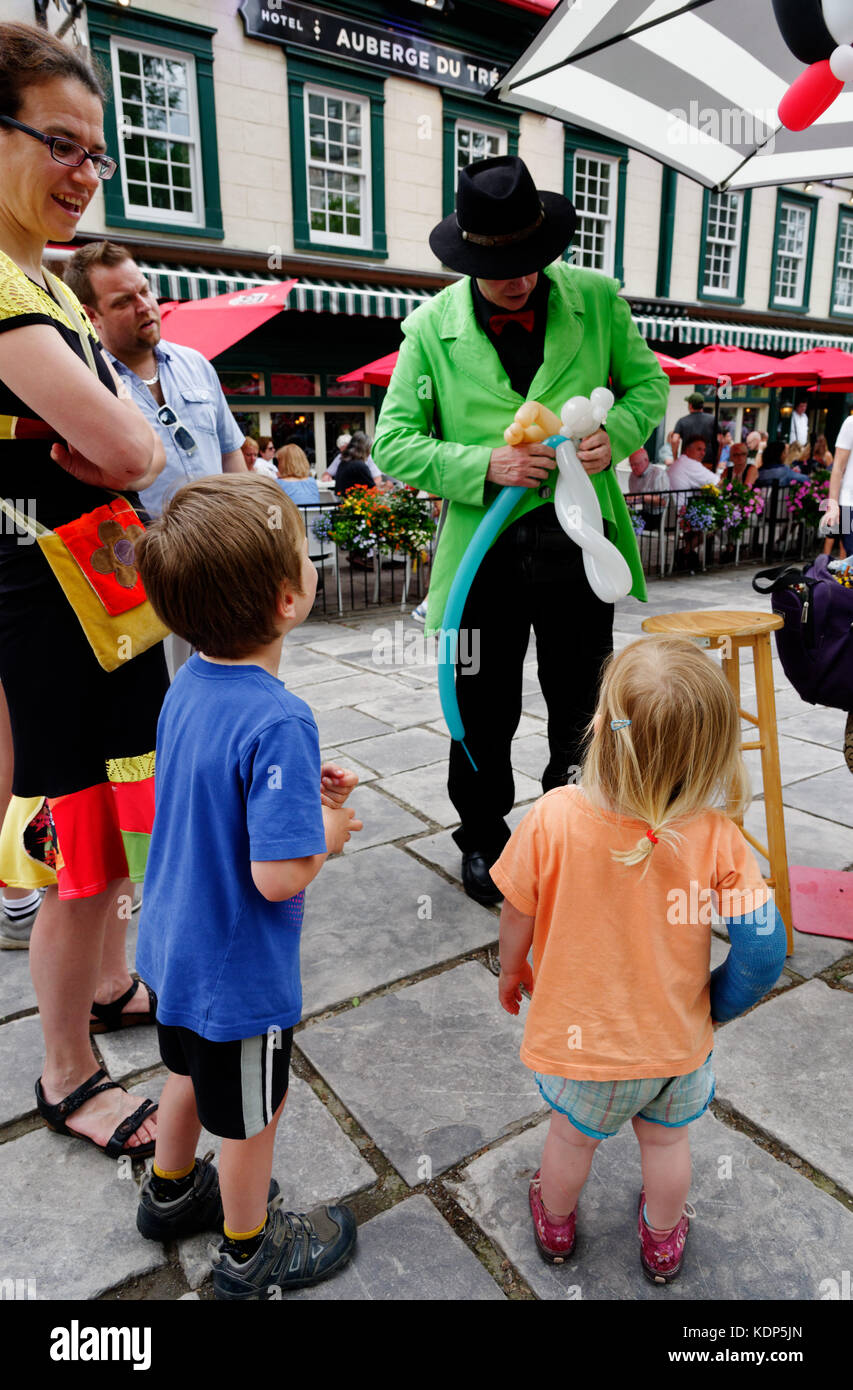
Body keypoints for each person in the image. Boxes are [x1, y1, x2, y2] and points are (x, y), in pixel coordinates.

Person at [373, 155, 668, 905]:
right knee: (479, 702)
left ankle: (573, 824)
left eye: (533, 261)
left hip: (578, 539)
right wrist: (485, 464)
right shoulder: (429, 329)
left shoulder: (597, 300)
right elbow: (394, 441)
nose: (520, 279)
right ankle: (482, 839)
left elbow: (647, 385)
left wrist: (620, 431)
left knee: (581, 699)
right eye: (500, 266)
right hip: (482, 554)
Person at [0, 22, 169, 1155]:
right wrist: (123, 447)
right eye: (61, 143)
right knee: (80, 844)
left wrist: (123, 448)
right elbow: (133, 444)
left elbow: (130, 444)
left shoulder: (40, 280)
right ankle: (66, 1071)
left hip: (101, 592)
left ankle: (110, 983)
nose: (86, 173)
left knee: (123, 803)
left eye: (96, 152)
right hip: (50, 601)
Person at [491, 636, 787, 1280]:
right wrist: (717, 1004)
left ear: (600, 724)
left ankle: (558, 1224)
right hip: (675, 1043)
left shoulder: (552, 817)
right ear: (710, 752)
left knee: (571, 1140)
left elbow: (516, 909)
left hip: (587, 1046)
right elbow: (765, 950)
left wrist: (513, 969)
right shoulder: (716, 837)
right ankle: (660, 1240)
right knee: (666, 1144)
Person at [133, 473, 363, 1299]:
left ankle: (166, 1195)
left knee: (188, 1072)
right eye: (306, 555)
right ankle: (248, 1248)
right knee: (251, 1114)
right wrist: (326, 833)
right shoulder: (279, 716)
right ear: (286, 600)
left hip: (170, 946)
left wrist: (300, 801)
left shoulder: (187, 682)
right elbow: (275, 877)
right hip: (239, 977)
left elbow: (212, 798)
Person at [64, 241, 247, 678]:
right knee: (165, 695)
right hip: (145, 575)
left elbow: (231, 457)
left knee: (235, 682)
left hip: (222, 561)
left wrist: (254, 533)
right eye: (123, 301)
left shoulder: (196, 364)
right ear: (91, 315)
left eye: (145, 290)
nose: (145, 305)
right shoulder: (86, 382)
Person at [618, 447, 669, 530]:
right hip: (642, 511)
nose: (633, 468)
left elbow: (662, 501)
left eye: (636, 464)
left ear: (646, 461)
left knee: (625, 523)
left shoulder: (658, 474)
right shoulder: (633, 475)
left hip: (656, 516)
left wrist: (641, 497)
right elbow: (634, 496)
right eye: (631, 465)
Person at [669, 392, 715, 461]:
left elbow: (675, 440)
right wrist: (716, 460)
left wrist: (675, 459)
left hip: (687, 461)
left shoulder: (682, 421)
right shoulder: (712, 420)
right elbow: (720, 441)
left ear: (690, 405)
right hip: (707, 462)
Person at [334, 431, 376, 497]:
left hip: (344, 504)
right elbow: (373, 490)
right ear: (365, 449)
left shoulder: (344, 463)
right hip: (354, 505)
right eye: (370, 448)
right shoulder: (359, 466)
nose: (370, 452)